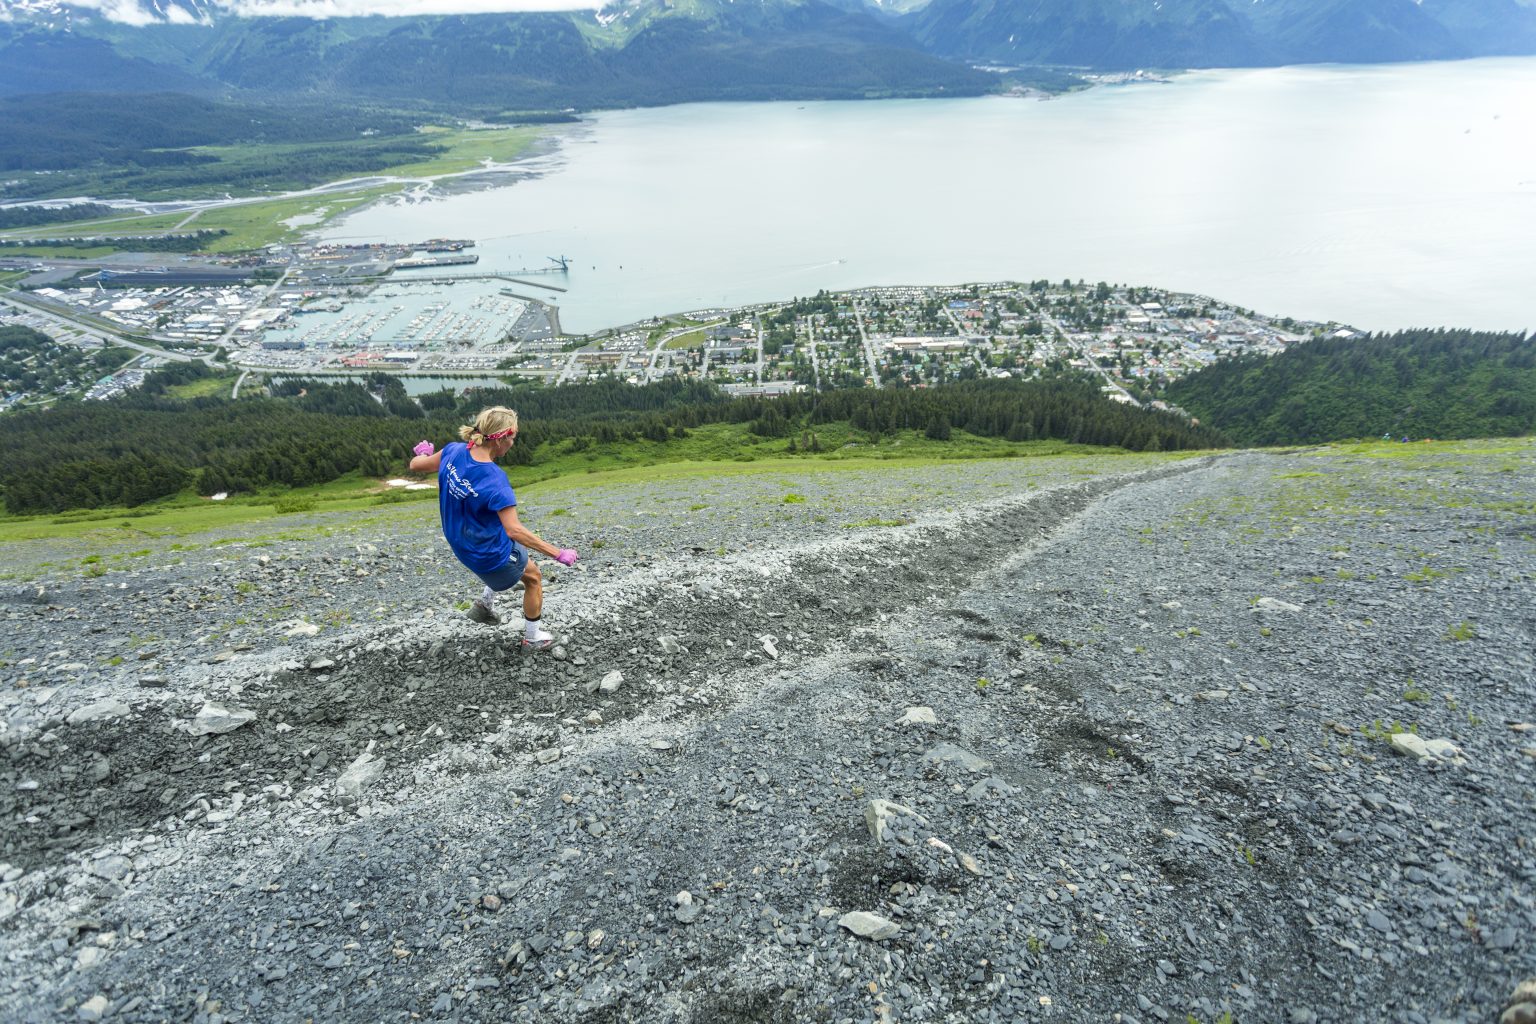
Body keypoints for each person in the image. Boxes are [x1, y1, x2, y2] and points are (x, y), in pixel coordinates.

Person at [409, 406, 578, 649]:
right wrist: (558, 553)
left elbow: (416, 465)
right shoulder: (496, 481)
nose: (513, 443)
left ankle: (484, 605)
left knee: (516, 550)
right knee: (533, 577)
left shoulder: (453, 450)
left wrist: (424, 453)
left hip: (461, 543)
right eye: (513, 437)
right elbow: (514, 530)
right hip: (485, 554)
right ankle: (532, 638)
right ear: (500, 439)